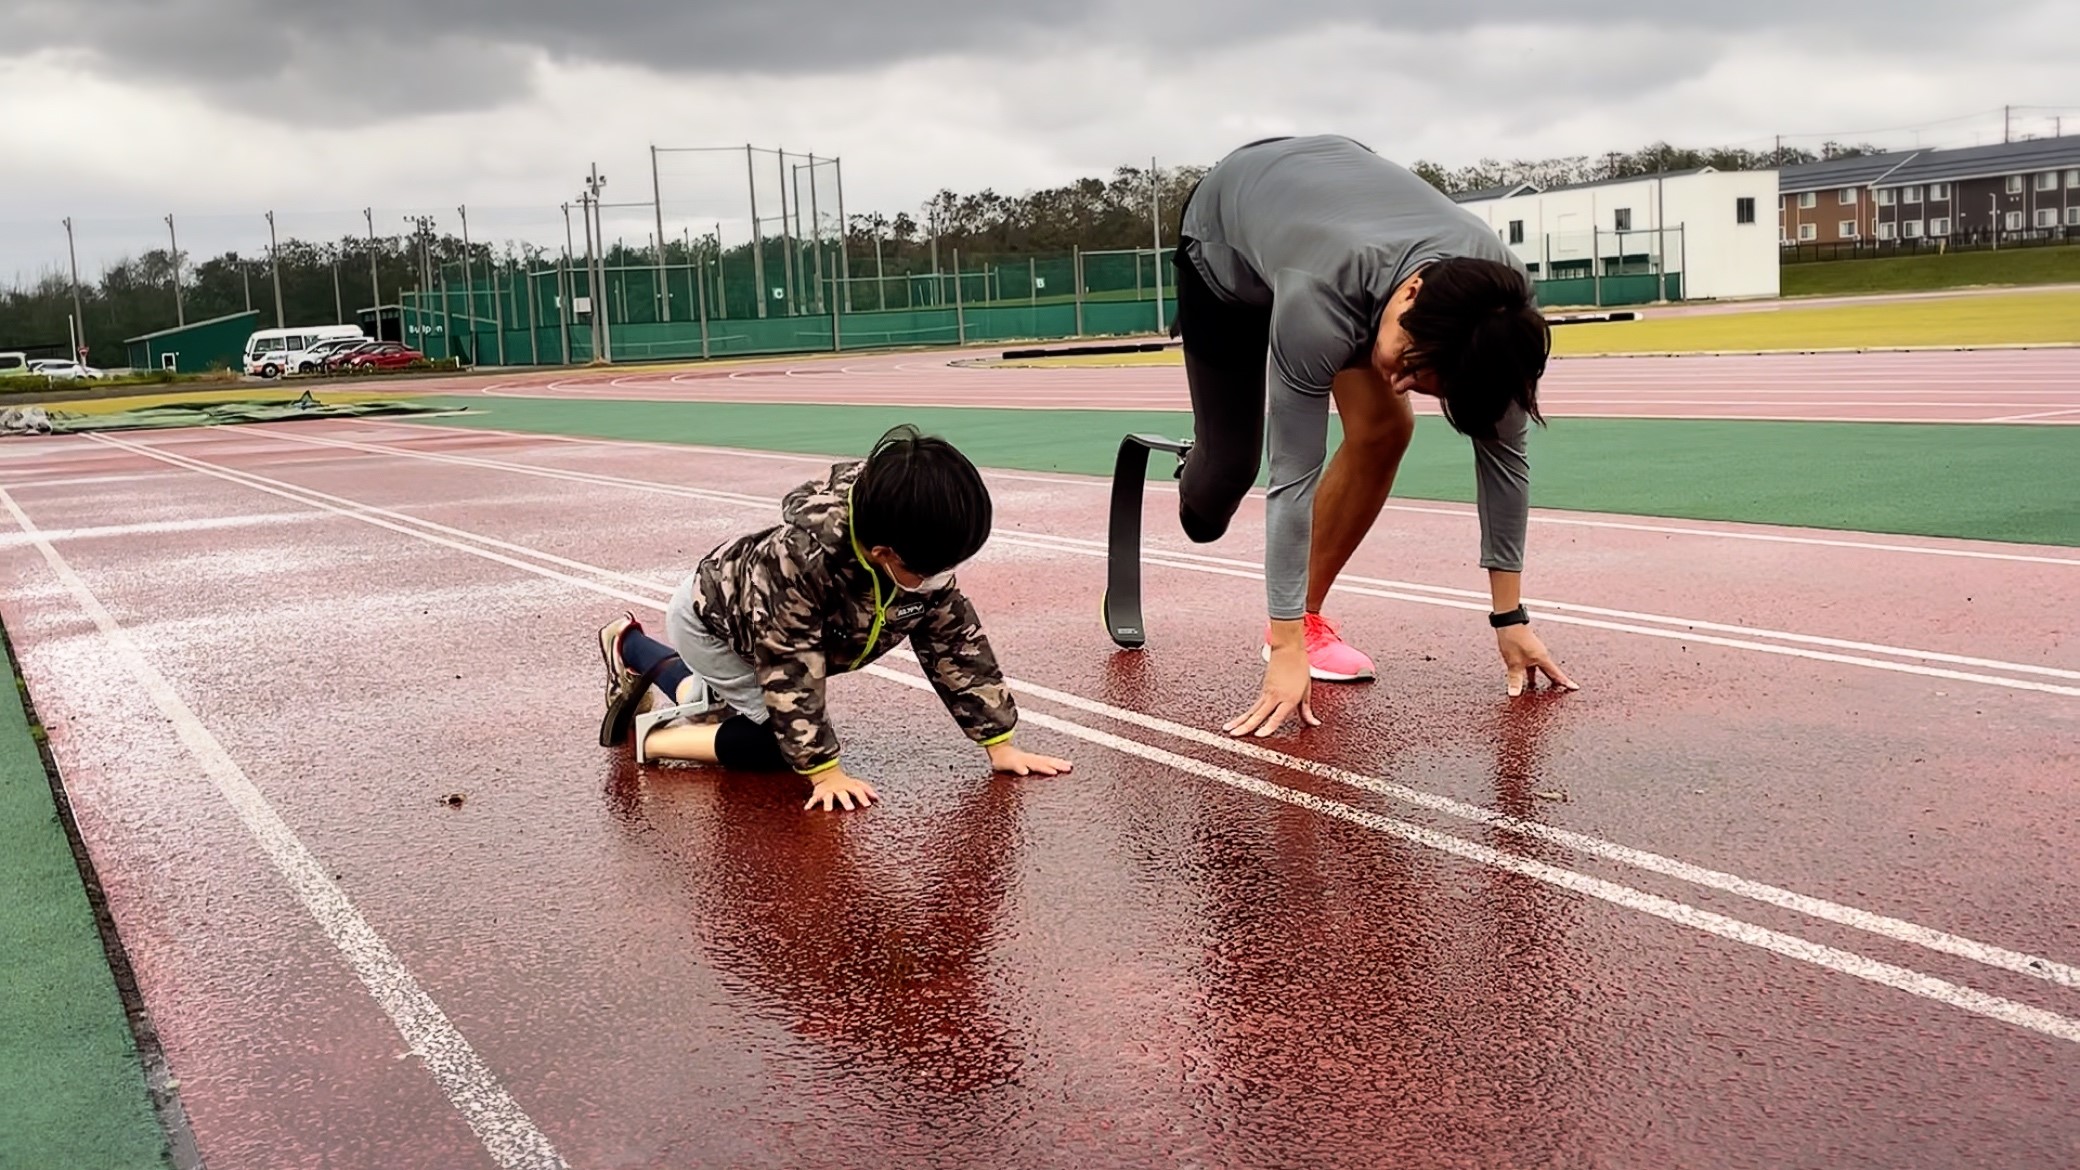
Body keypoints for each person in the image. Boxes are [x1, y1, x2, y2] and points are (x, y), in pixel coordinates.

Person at [1170, 133, 1579, 739]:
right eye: (1407, 362)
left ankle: (1306, 616)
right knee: (1227, 477)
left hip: (1343, 244)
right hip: (1228, 256)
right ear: (1411, 295)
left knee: (1386, 424)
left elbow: (1505, 461)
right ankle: (1197, 461)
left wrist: (1509, 617)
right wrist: (1286, 657)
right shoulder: (1321, 294)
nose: (1401, 379)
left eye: (1422, 380)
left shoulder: (1495, 309)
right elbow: (1293, 481)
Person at [594, 424, 1073, 811]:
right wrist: (824, 771)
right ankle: (655, 741)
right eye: (926, 570)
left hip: (751, 626)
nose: (939, 579)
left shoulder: (912, 541)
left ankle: (629, 646)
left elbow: (956, 647)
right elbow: (789, 666)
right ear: (883, 552)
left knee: (722, 704)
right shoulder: (802, 563)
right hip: (716, 625)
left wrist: (999, 743)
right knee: (775, 746)